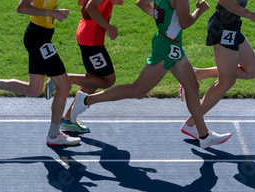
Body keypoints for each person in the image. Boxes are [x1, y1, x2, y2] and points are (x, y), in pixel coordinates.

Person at [69, 0, 232, 149]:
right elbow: (185, 23)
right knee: (137, 89)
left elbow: (142, 3)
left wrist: (163, 21)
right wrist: (200, 10)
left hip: (170, 44)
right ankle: (87, 100)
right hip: (167, 47)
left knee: (192, 86)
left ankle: (202, 133)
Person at [0, 0, 81, 147]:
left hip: (41, 37)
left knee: (34, 89)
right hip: (38, 39)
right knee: (64, 86)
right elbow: (21, 7)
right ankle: (53, 135)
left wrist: (55, 13)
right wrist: (53, 13)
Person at [178, 0, 255, 139]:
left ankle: (197, 74)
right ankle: (191, 124)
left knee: (252, 70)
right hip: (224, 28)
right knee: (226, 81)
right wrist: (250, 15)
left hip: (233, 26)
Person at [46, 0, 124, 134]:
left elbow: (81, 2)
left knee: (94, 81)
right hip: (92, 41)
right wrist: (109, 27)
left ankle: (68, 119)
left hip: (87, 36)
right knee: (108, 80)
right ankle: (59, 78)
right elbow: (90, 7)